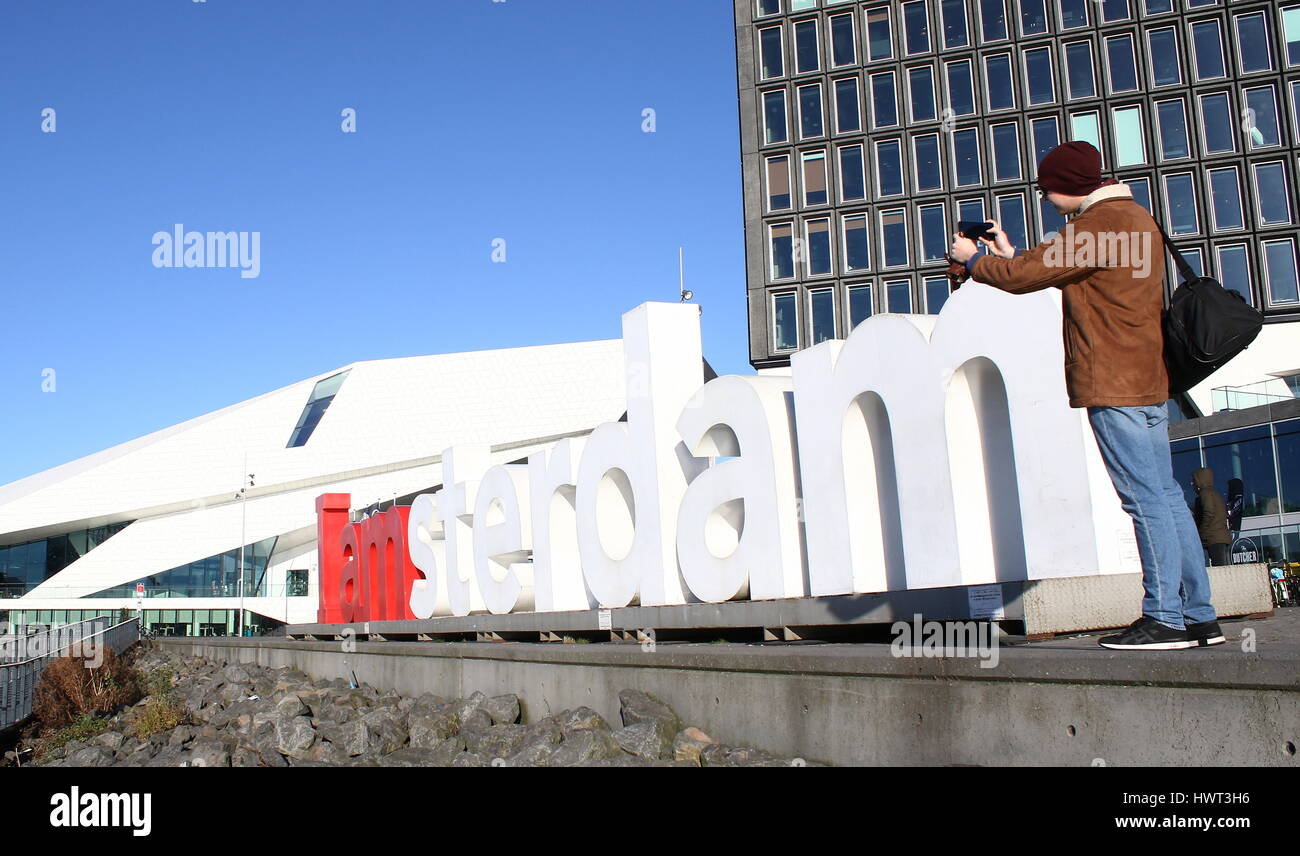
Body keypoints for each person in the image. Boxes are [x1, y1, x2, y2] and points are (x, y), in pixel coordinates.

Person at [949, 140, 1224, 650]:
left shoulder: (1098, 226)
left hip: (1112, 379)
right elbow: (1082, 278)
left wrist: (974, 261)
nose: (1047, 199)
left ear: (1071, 187)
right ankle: (1199, 615)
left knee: (1144, 502)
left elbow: (1021, 278)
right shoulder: (1136, 219)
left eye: (1049, 189)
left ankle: (1164, 618)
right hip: (1148, 379)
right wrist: (1011, 253)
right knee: (1165, 496)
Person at [1191, 468, 1231, 566]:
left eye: (1194, 480)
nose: (1192, 483)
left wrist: (1202, 532)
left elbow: (1209, 512)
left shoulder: (1205, 494)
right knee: (1223, 568)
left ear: (1200, 480)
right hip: (1220, 537)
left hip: (1213, 538)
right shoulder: (1215, 494)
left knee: (1219, 569)